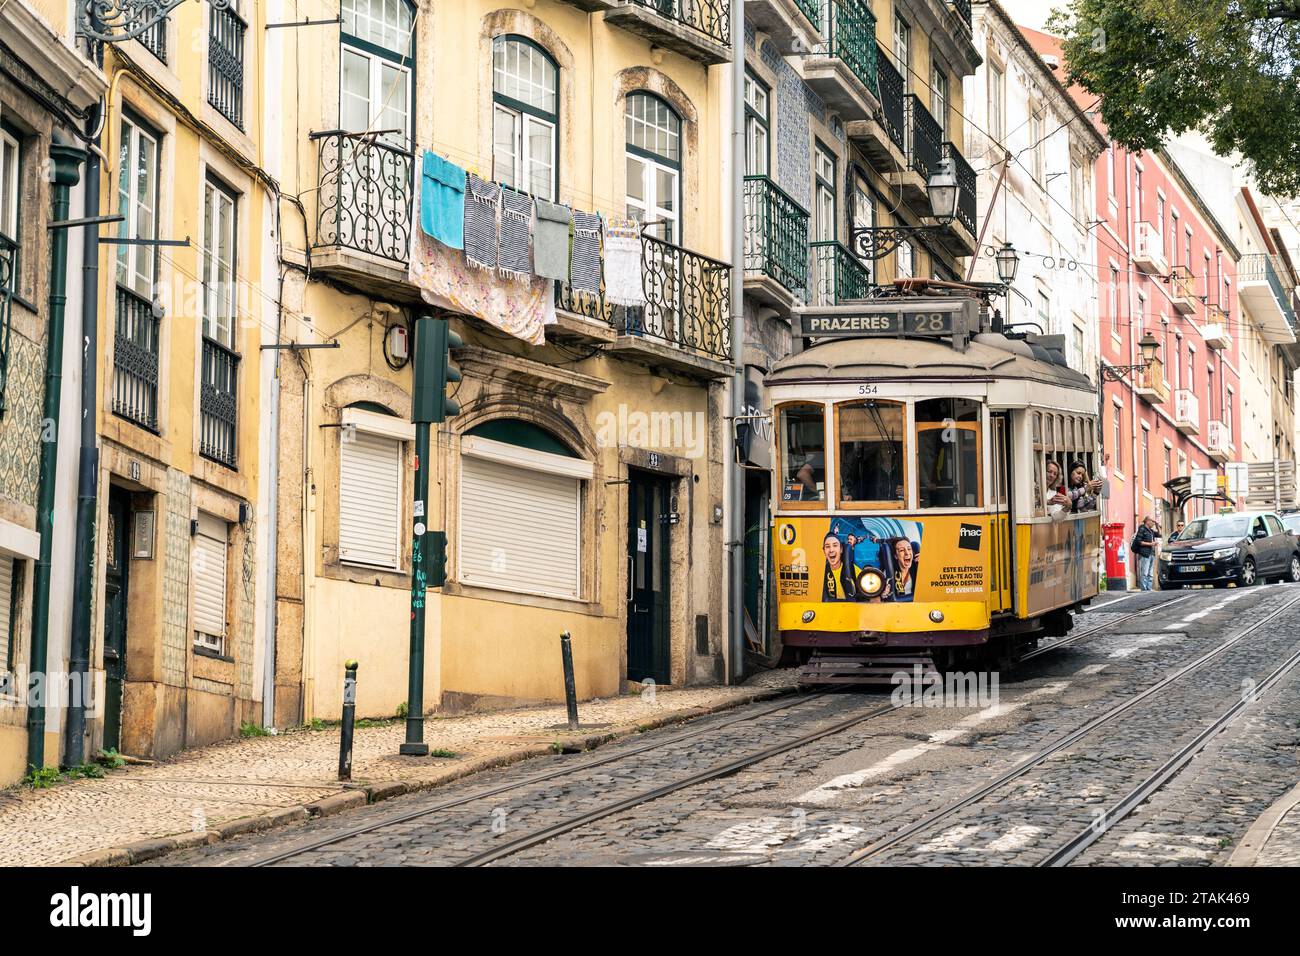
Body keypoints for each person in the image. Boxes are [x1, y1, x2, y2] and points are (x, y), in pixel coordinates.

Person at [821, 533, 856, 602]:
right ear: (824, 552)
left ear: (841, 549)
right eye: (827, 546)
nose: (831, 550)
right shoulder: (820, 573)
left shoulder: (853, 570)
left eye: (835, 545)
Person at [1133, 515, 1159, 590]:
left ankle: (1149, 589)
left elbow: (1159, 535)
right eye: (1152, 521)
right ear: (1147, 521)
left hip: (1151, 554)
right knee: (1144, 573)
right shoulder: (1142, 529)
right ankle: (1144, 589)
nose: (1153, 523)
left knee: (1150, 574)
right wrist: (1151, 544)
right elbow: (1138, 541)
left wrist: (1157, 526)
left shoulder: (1151, 531)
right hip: (1145, 554)